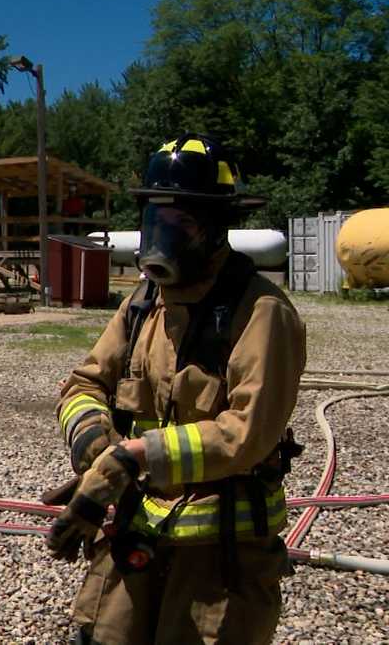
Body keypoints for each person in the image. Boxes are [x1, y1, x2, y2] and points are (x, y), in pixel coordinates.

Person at [47, 133, 306, 644]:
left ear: (215, 229)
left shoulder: (260, 313)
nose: (162, 236)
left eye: (181, 222)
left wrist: (134, 457)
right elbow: (84, 384)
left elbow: (246, 433)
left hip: (218, 559)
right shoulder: (144, 303)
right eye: (154, 220)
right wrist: (98, 451)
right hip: (134, 539)